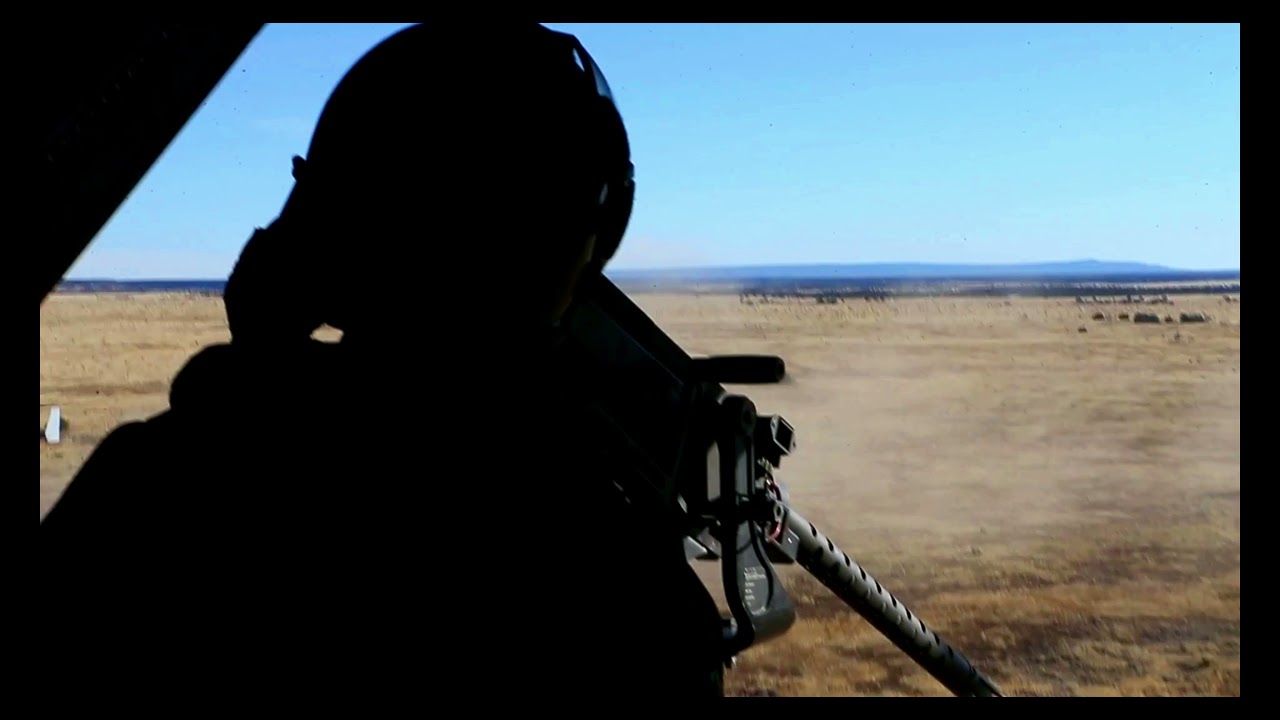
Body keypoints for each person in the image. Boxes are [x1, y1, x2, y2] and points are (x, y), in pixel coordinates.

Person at [40, 23, 730, 698]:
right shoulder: (617, 580)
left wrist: (262, 350)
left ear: (321, 223)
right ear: (591, 238)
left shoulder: (157, 485)